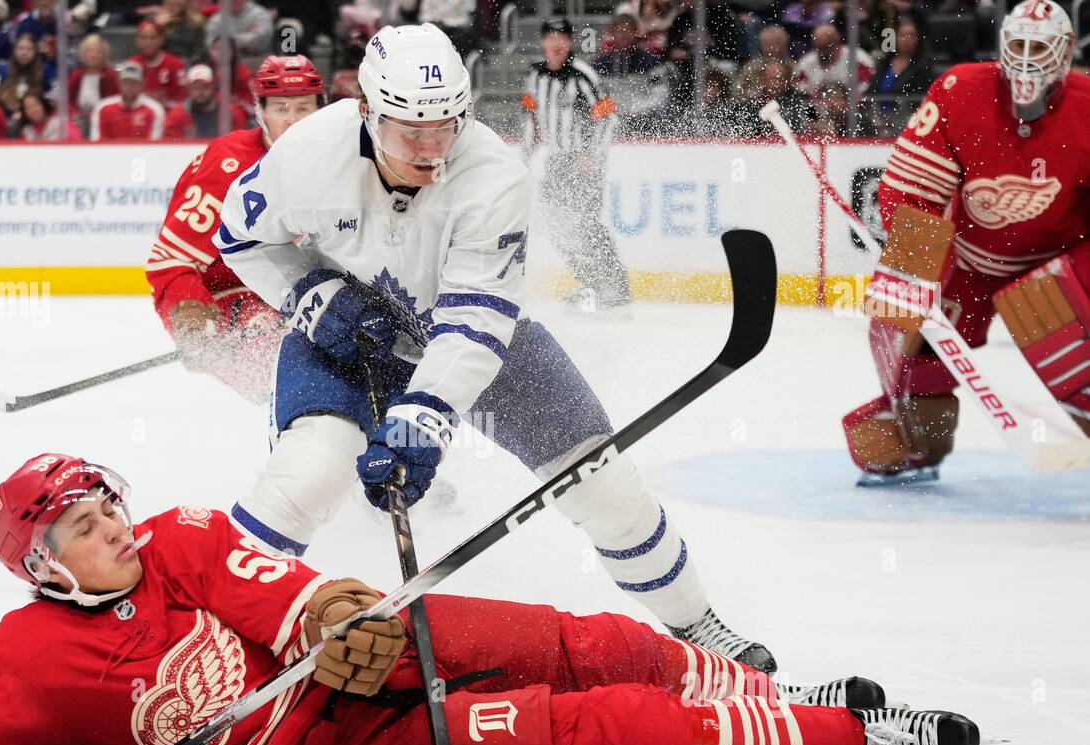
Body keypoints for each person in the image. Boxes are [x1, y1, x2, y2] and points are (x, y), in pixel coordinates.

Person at [0, 451, 982, 745]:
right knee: (610, 729)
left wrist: (327, 615)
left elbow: (271, 584)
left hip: (367, 658)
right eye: (82, 525)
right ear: (44, 564)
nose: (113, 525)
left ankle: (775, 692)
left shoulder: (174, 538)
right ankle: (848, 735)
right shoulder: (18, 661)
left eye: (105, 505)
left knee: (598, 644)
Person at [214, 23, 776, 671]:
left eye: (446, 126)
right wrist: (313, 295)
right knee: (313, 472)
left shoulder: (493, 177)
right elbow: (239, 235)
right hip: (347, 339)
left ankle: (698, 624)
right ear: (367, 114)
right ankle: (221, 631)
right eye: (409, 133)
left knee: (603, 484)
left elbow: (475, 323)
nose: (431, 150)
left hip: (468, 341)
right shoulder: (310, 150)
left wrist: (422, 417)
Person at [844, 0, 1090, 484]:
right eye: (1018, 45)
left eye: (1039, 47)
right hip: (970, 262)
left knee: (1061, 334)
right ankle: (912, 430)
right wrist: (913, 273)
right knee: (911, 335)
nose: (1027, 58)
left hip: (1057, 260)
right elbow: (913, 188)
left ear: (1063, 55)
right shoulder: (961, 90)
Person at [149, 55, 323, 403]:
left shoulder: (346, 157)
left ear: (323, 108)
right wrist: (192, 320)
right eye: (280, 109)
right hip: (237, 299)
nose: (292, 122)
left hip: (310, 294)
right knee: (296, 383)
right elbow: (169, 263)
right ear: (260, 111)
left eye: (303, 108)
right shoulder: (227, 166)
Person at [521, 17, 632, 316]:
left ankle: (616, 291)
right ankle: (593, 286)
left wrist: (592, 156)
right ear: (543, 42)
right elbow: (531, 119)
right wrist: (524, 159)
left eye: (562, 38)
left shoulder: (584, 76)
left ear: (569, 43)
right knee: (559, 230)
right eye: (550, 37)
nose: (556, 44)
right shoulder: (535, 77)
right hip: (557, 163)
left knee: (587, 228)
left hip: (583, 165)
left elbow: (609, 117)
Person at [163, 61, 250, 139]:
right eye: (195, 88)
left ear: (213, 87)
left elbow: (241, 140)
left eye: (205, 87)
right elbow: (170, 144)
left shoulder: (231, 112)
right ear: (188, 89)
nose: (200, 92)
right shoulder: (178, 114)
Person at [793, 23, 875, 99]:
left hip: (854, 109)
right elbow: (799, 90)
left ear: (837, 42)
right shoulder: (806, 63)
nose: (822, 52)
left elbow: (866, 88)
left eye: (825, 47)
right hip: (817, 110)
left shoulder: (857, 58)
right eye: (818, 48)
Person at [91, 60, 165, 141]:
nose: (129, 87)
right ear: (119, 83)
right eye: (125, 82)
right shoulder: (103, 108)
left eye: (134, 83)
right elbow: (97, 143)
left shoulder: (155, 109)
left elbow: (155, 144)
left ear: (142, 84)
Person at [130, 18, 185, 109]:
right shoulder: (132, 65)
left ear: (161, 40)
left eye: (153, 38)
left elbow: (181, 100)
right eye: (144, 38)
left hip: (169, 118)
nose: (148, 43)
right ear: (137, 41)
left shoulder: (175, 64)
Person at [68, 34, 119, 124]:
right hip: (79, 119)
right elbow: (68, 101)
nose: (93, 55)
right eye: (90, 51)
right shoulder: (76, 75)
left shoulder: (110, 75)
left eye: (98, 51)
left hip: (104, 119)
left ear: (104, 55)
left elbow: (111, 103)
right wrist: (75, 114)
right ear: (83, 54)